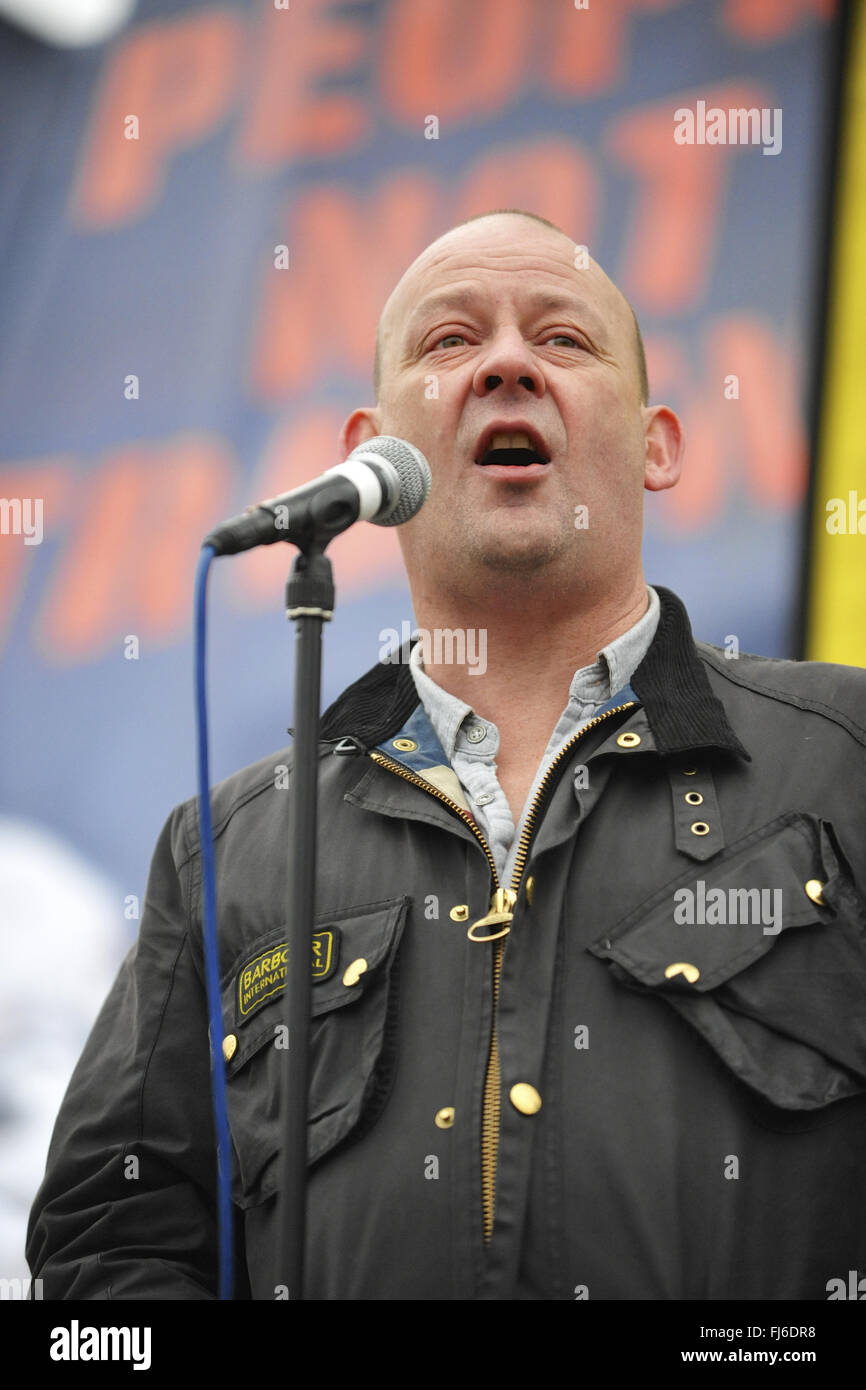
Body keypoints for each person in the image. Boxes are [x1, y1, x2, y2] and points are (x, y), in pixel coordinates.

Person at [27, 210, 866, 1300]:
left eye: (562, 341)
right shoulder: (228, 849)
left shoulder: (843, 761)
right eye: (449, 342)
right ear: (371, 455)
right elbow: (110, 1237)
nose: (507, 362)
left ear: (656, 443)